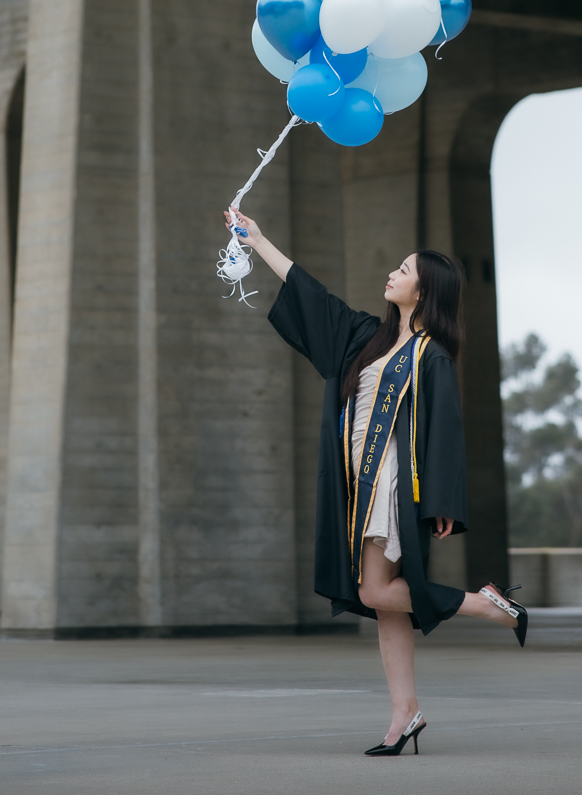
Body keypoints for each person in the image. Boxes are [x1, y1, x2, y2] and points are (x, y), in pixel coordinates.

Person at [226, 208, 528, 758]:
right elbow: (312, 297)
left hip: (389, 485)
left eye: (404, 269)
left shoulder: (430, 356)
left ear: (426, 289)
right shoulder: (369, 337)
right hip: (355, 484)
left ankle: (486, 605)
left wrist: (440, 502)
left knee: (374, 591)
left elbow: (445, 430)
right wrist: (259, 239)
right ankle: (404, 715)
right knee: (388, 606)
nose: (392, 273)